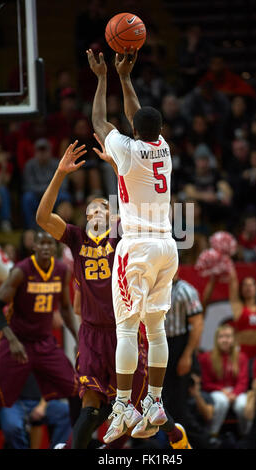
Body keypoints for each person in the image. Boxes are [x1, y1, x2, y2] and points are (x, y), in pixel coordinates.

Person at [36, 164, 191, 449]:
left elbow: (150, 208)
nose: (97, 214)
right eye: (91, 211)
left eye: (103, 209)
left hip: (126, 333)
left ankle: (173, 431)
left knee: (138, 411)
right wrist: (59, 173)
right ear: (85, 218)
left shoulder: (124, 236)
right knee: (92, 408)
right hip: (93, 335)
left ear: (113, 215)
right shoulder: (76, 238)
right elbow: (42, 217)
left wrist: (120, 167)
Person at [86, 46, 179, 444]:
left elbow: (99, 120)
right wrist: (127, 79)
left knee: (127, 329)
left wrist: (104, 76)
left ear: (135, 130)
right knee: (155, 329)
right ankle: (155, 401)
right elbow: (137, 116)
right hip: (168, 248)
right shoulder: (164, 148)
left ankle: (123, 404)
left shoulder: (125, 148)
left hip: (137, 246)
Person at [0, 232, 78, 409]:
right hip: (17, 342)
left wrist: (79, 338)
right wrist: (12, 340)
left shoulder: (61, 271)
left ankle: (77, 438)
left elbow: (66, 308)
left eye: (50, 243)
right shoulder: (20, 271)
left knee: (75, 388)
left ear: (55, 247)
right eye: (42, 243)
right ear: (34, 247)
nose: (46, 247)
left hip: (44, 343)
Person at [163, 272, 204, 427]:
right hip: (159, 345)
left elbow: (198, 323)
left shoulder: (185, 290)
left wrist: (188, 355)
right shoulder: (154, 288)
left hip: (178, 346)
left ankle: (204, 443)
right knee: (161, 401)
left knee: (179, 404)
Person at [0, 373, 72, 449]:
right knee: (12, 426)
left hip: (39, 400)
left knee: (67, 412)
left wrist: (42, 405)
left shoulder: (43, 362)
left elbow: (50, 380)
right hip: (12, 402)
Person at [199, 324, 248, 436]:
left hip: (236, 391)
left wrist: (234, 393)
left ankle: (244, 435)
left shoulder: (241, 357)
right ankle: (213, 434)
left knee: (243, 405)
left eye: (228, 336)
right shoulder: (206, 357)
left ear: (233, 339)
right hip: (217, 391)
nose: (225, 340)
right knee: (222, 401)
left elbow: (243, 381)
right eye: (222, 336)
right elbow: (206, 383)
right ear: (217, 339)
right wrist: (222, 390)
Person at [22, 139, 71, 229]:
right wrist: (49, 190)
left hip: (55, 195)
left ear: (50, 151)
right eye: (40, 150)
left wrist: (49, 192)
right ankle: (32, 228)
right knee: (27, 198)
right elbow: (28, 186)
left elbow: (64, 185)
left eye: (45, 150)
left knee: (65, 196)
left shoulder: (58, 163)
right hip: (37, 196)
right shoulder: (29, 165)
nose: (42, 153)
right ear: (35, 152)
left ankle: (64, 228)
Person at [228, 267, 256, 360]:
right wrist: (229, 266)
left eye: (251, 285)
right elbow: (233, 284)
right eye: (245, 285)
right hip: (243, 350)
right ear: (241, 290)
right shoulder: (238, 307)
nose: (248, 287)